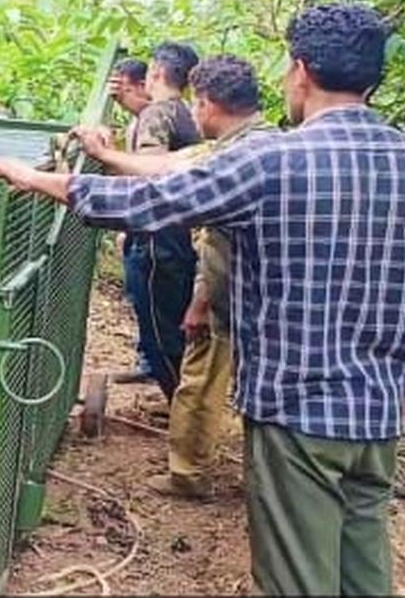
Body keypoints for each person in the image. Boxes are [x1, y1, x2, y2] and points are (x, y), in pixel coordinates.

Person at [0, 2, 405, 596]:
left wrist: (37, 179)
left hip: (297, 411)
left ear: (301, 70)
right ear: (373, 78)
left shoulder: (273, 159)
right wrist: (404, 381)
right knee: (363, 575)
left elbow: (153, 203)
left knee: (296, 580)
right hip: (376, 413)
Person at [76, 55, 274, 498]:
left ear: (208, 103)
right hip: (256, 300)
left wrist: (93, 161)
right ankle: (262, 480)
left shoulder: (236, 154)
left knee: (198, 383)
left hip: (234, 298)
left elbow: (163, 178)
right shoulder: (259, 143)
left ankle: (188, 474)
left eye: (197, 104)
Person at [103, 43, 203, 401]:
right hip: (175, 233)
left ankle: (182, 408)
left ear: (157, 73)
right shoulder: (182, 112)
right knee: (168, 322)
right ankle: (181, 403)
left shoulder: (158, 114)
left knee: (160, 330)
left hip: (158, 236)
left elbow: (150, 176)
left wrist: (102, 153)